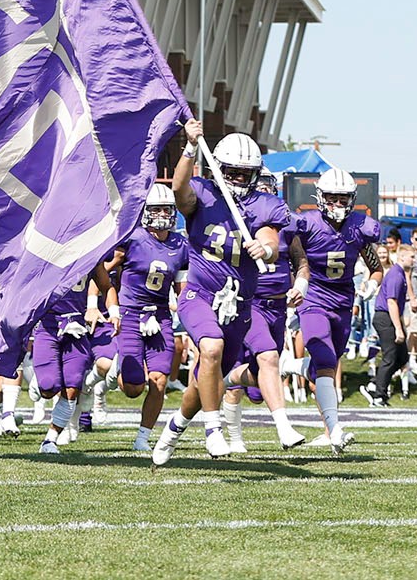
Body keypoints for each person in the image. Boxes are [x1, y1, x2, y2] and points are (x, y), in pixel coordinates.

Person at [153, 126, 293, 466]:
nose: (236, 178)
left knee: (200, 389)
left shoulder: (264, 204)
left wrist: (267, 249)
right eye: (231, 171)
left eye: (244, 173)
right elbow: (180, 189)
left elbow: (270, 238)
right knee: (210, 347)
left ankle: (172, 430)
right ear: (219, 168)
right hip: (200, 294)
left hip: (239, 305)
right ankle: (213, 430)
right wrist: (189, 148)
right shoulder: (204, 193)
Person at [289, 169, 382, 453]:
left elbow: (376, 268)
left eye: (343, 199)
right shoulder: (305, 225)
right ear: (320, 197)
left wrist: (370, 285)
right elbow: (290, 259)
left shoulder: (360, 227)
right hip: (314, 297)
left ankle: (291, 366)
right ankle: (334, 430)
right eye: (332, 198)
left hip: (343, 300)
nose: (338, 204)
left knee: (325, 366)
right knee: (326, 361)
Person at [109, 184, 188, 451]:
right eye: (156, 210)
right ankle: (113, 372)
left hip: (161, 315)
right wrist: (100, 303)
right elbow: (101, 271)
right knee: (133, 387)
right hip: (131, 313)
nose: (163, 215)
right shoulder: (132, 238)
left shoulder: (180, 244)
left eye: (167, 210)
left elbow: (182, 287)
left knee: (160, 380)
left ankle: (143, 437)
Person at [32, 260, 116, 454]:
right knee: (48, 387)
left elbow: (106, 285)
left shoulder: (91, 253)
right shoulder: (49, 251)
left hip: (77, 327)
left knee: (72, 387)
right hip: (49, 325)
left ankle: (50, 440)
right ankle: (40, 381)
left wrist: (114, 312)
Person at [366, 238, 417, 406]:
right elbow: (391, 302)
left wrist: (402, 323)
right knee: (390, 356)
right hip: (385, 318)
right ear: (401, 257)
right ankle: (379, 395)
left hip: (392, 318)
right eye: (411, 257)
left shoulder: (402, 274)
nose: (414, 260)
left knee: (402, 358)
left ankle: (376, 383)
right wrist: (398, 329)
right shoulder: (396, 274)